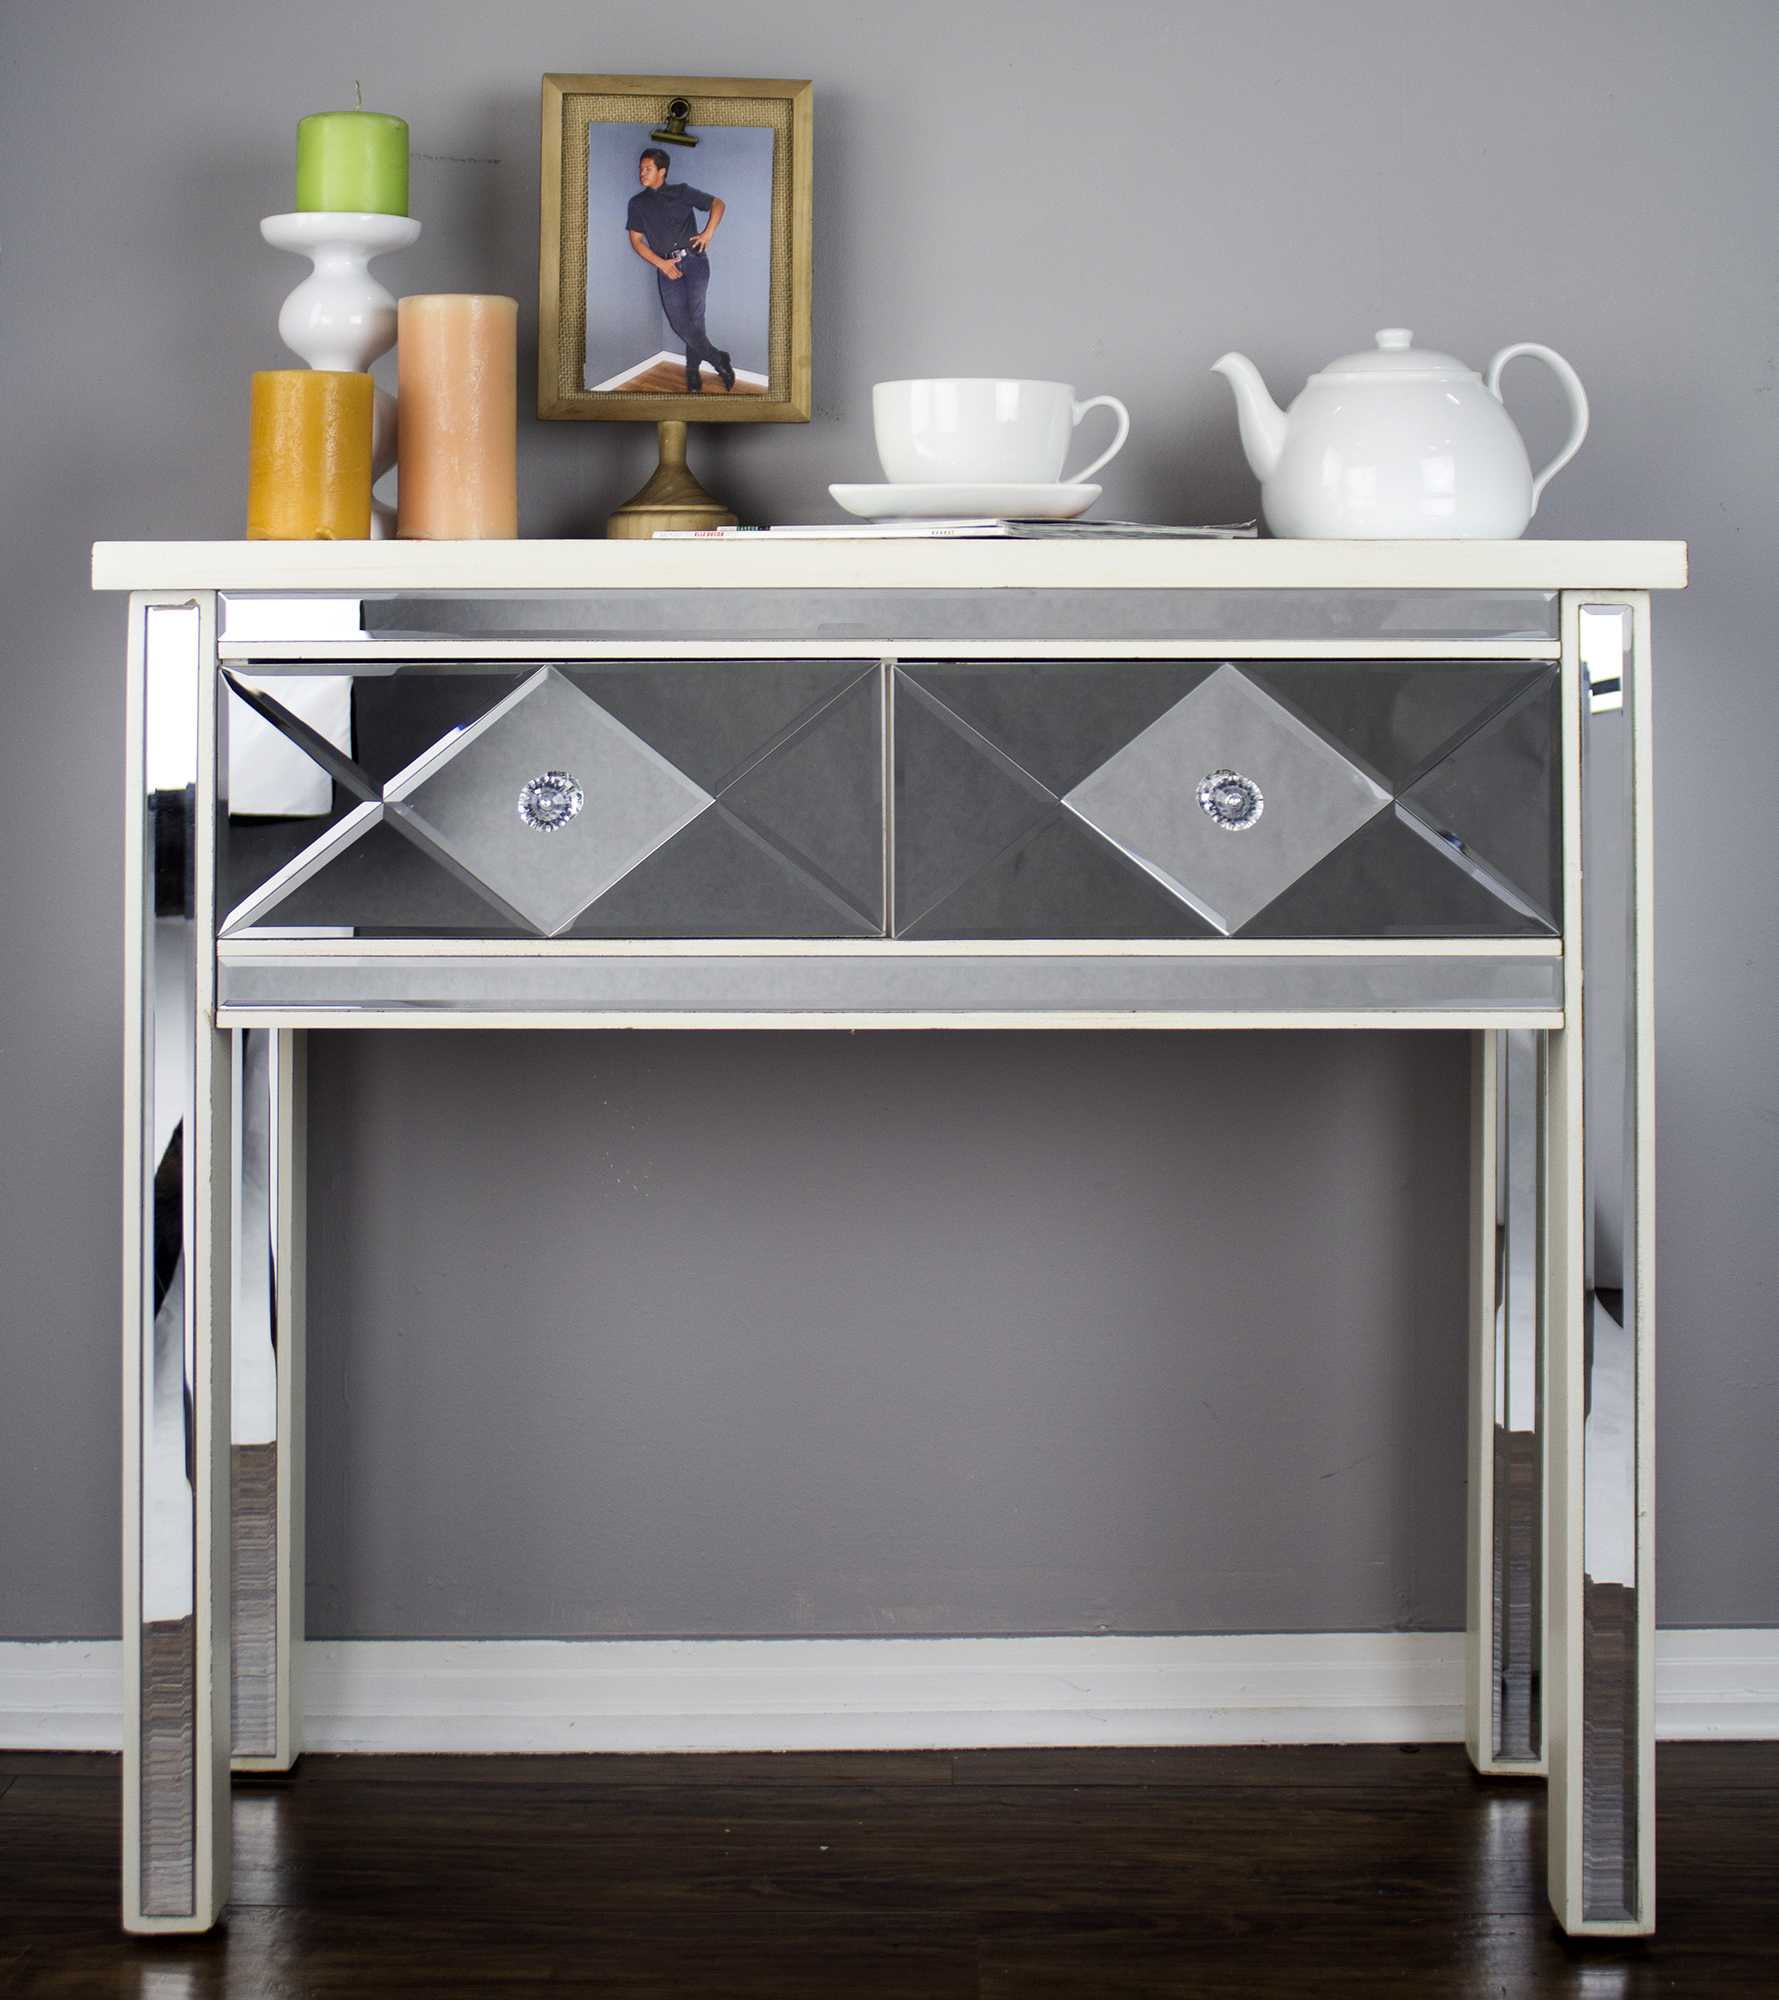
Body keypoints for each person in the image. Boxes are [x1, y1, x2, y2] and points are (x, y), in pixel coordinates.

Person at [625, 147, 735, 394]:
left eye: (648, 169)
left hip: (695, 262)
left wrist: (708, 233)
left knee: (696, 319)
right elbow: (636, 241)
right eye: (641, 168)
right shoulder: (637, 203)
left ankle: (692, 374)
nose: (642, 172)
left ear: (661, 172)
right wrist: (661, 264)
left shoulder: (682, 192)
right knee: (680, 323)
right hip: (666, 266)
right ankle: (719, 359)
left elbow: (718, 204)